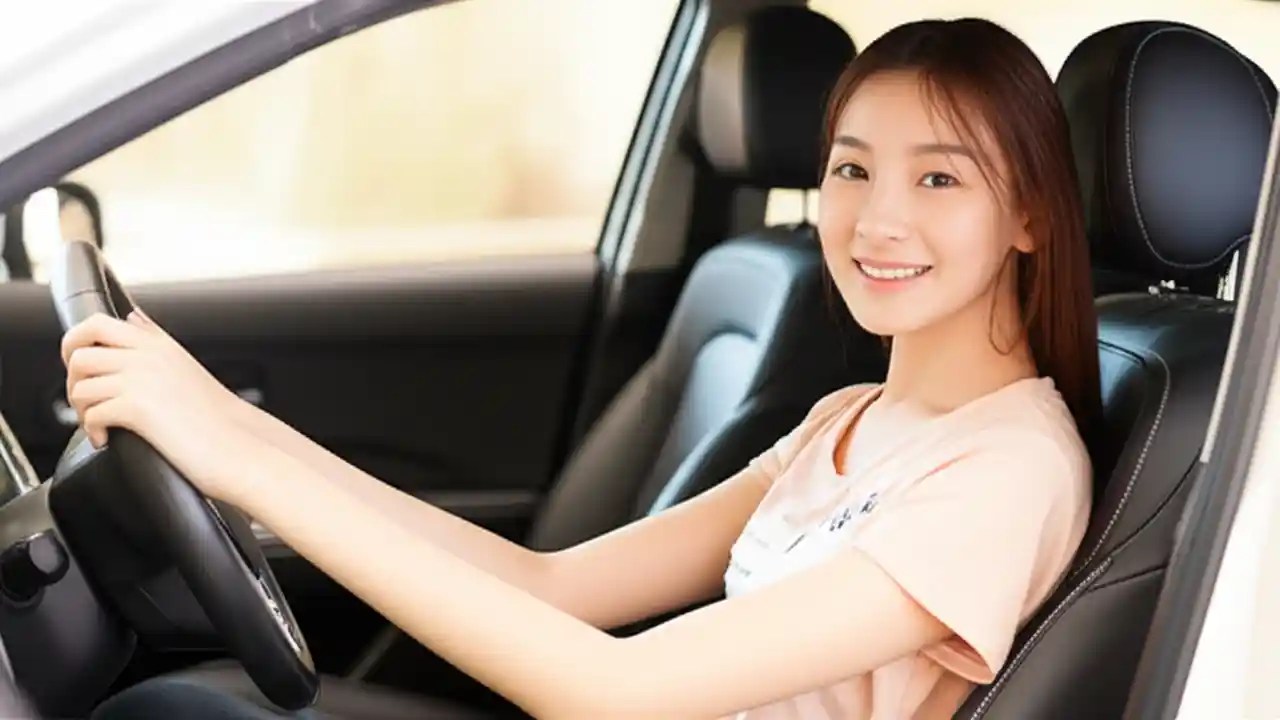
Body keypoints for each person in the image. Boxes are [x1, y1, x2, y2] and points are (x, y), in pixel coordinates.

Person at [76, 17, 1100, 720]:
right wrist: (221, 425)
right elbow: (554, 587)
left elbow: (608, 692)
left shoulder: (1006, 470)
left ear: (1028, 214)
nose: (878, 217)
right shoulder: (849, 417)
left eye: (937, 177)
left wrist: (243, 468)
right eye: (851, 167)